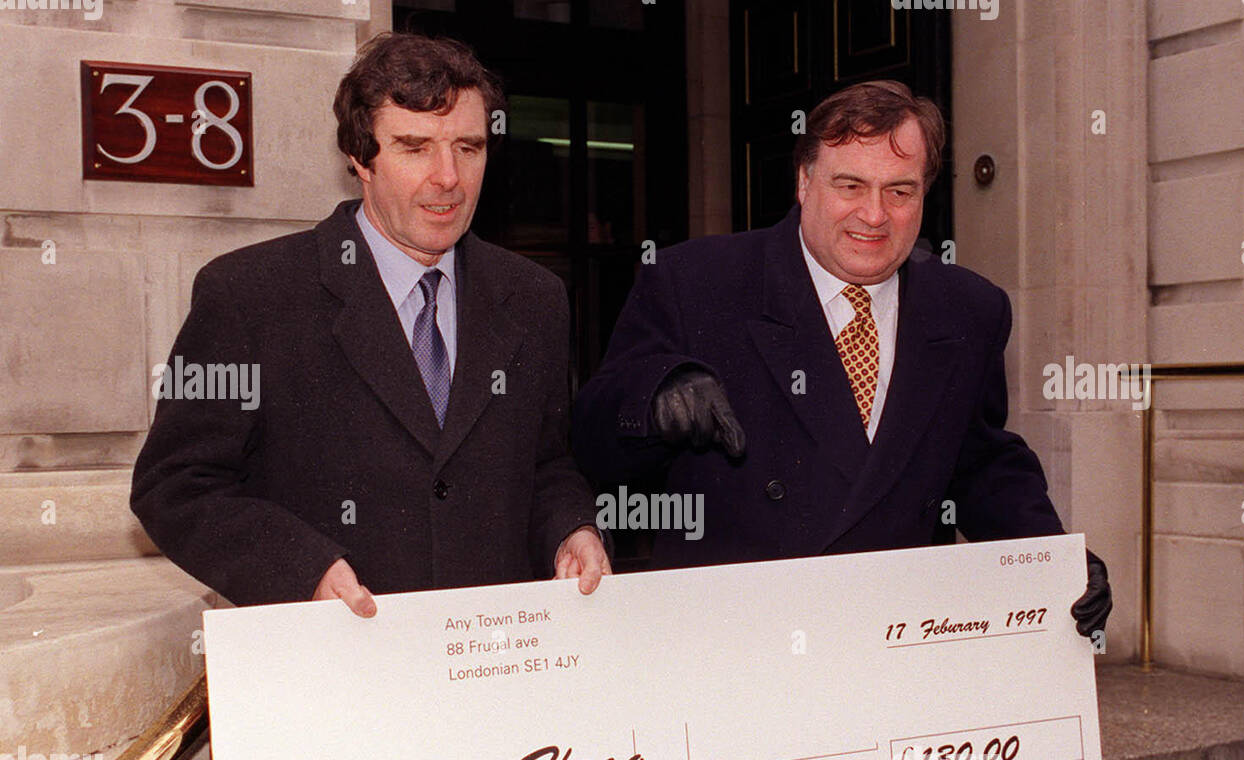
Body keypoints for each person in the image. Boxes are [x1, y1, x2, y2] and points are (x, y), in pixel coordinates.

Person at [572, 80, 1110, 638]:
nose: (874, 215)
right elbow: (590, 444)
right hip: (735, 637)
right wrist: (655, 399)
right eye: (850, 185)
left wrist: (1054, 565)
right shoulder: (697, 283)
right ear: (804, 181)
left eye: (899, 191)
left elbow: (981, 466)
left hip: (893, 638)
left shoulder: (969, 309)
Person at [131, 33, 609, 617]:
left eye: (468, 147)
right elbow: (175, 485)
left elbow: (546, 466)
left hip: (492, 650)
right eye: (415, 147)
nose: (448, 177)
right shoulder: (248, 296)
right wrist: (303, 570)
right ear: (360, 157)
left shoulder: (535, 298)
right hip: (334, 653)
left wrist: (571, 530)